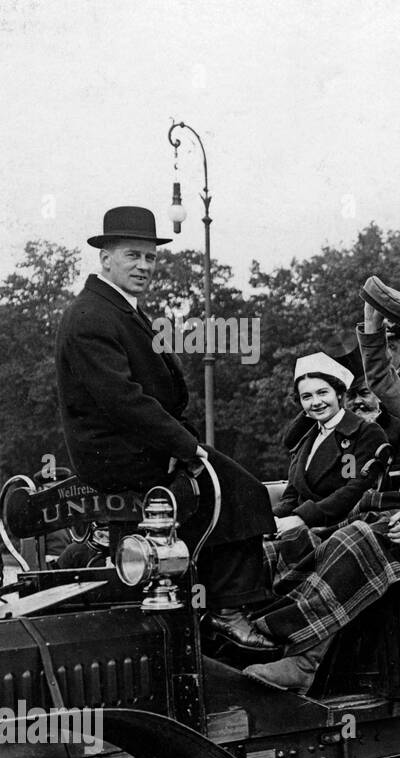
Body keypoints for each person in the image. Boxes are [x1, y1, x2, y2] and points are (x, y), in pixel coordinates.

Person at [241, 307, 400, 690]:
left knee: (354, 541)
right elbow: (382, 378)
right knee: (308, 540)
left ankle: (300, 661)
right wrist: (371, 319)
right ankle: (255, 636)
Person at [54, 206, 275, 650]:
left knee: (226, 489)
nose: (143, 266)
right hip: (119, 453)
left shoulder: (119, 309)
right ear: (105, 258)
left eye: (150, 258)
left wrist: (180, 441)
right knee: (241, 491)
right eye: (133, 255)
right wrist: (187, 446)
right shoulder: (92, 316)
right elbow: (122, 401)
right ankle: (229, 611)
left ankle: (205, 602)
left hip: (140, 443)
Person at [272, 353, 390, 536]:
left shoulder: (362, 433)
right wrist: (272, 520)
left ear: (339, 394)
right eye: (307, 397)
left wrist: (302, 518)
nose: (316, 402)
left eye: (322, 393)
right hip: (300, 524)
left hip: (339, 528)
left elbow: (352, 489)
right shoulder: (307, 438)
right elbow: (292, 494)